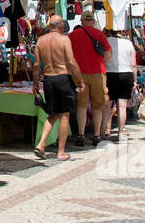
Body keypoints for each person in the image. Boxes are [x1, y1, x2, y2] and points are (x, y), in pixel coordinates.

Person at [33, 16, 86, 160]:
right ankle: (61, 151)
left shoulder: (40, 40)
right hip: (63, 78)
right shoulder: (64, 39)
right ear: (61, 25)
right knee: (64, 115)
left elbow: (37, 65)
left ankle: (41, 144)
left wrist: (35, 84)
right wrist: (80, 80)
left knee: (53, 113)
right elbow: (71, 61)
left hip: (48, 79)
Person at [68, 17, 112, 147]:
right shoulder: (100, 34)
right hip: (98, 73)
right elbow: (108, 55)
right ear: (93, 21)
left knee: (81, 105)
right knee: (97, 106)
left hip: (79, 74)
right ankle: (96, 134)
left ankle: (81, 135)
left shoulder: (73, 35)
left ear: (81, 21)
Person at [104, 28, 137, 141]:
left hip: (110, 73)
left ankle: (102, 131)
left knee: (107, 105)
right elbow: (133, 64)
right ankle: (121, 132)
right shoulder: (128, 43)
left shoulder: (106, 41)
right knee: (122, 106)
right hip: (126, 73)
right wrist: (135, 80)